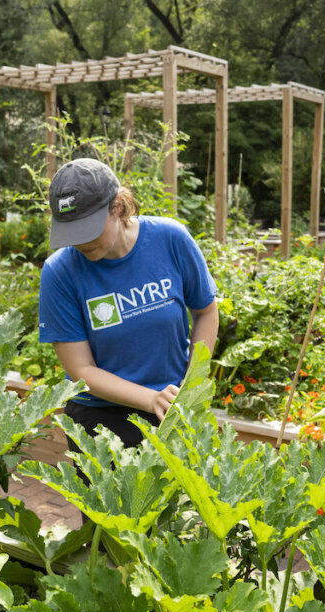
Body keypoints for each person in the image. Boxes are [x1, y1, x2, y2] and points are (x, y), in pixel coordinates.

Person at [38, 157, 219, 449]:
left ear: (118, 206)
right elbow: (81, 369)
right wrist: (151, 398)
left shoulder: (170, 239)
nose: (80, 243)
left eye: (87, 228)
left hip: (172, 409)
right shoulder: (60, 272)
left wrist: (192, 384)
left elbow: (206, 311)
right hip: (99, 420)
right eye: (71, 232)